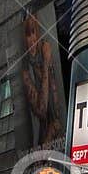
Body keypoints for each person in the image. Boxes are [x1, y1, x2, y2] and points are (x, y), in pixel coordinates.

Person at [21, 12, 61, 146]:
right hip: (40, 145)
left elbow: (56, 113)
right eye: (28, 34)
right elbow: (42, 110)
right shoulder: (27, 72)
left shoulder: (47, 64)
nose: (32, 39)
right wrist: (45, 63)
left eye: (34, 33)